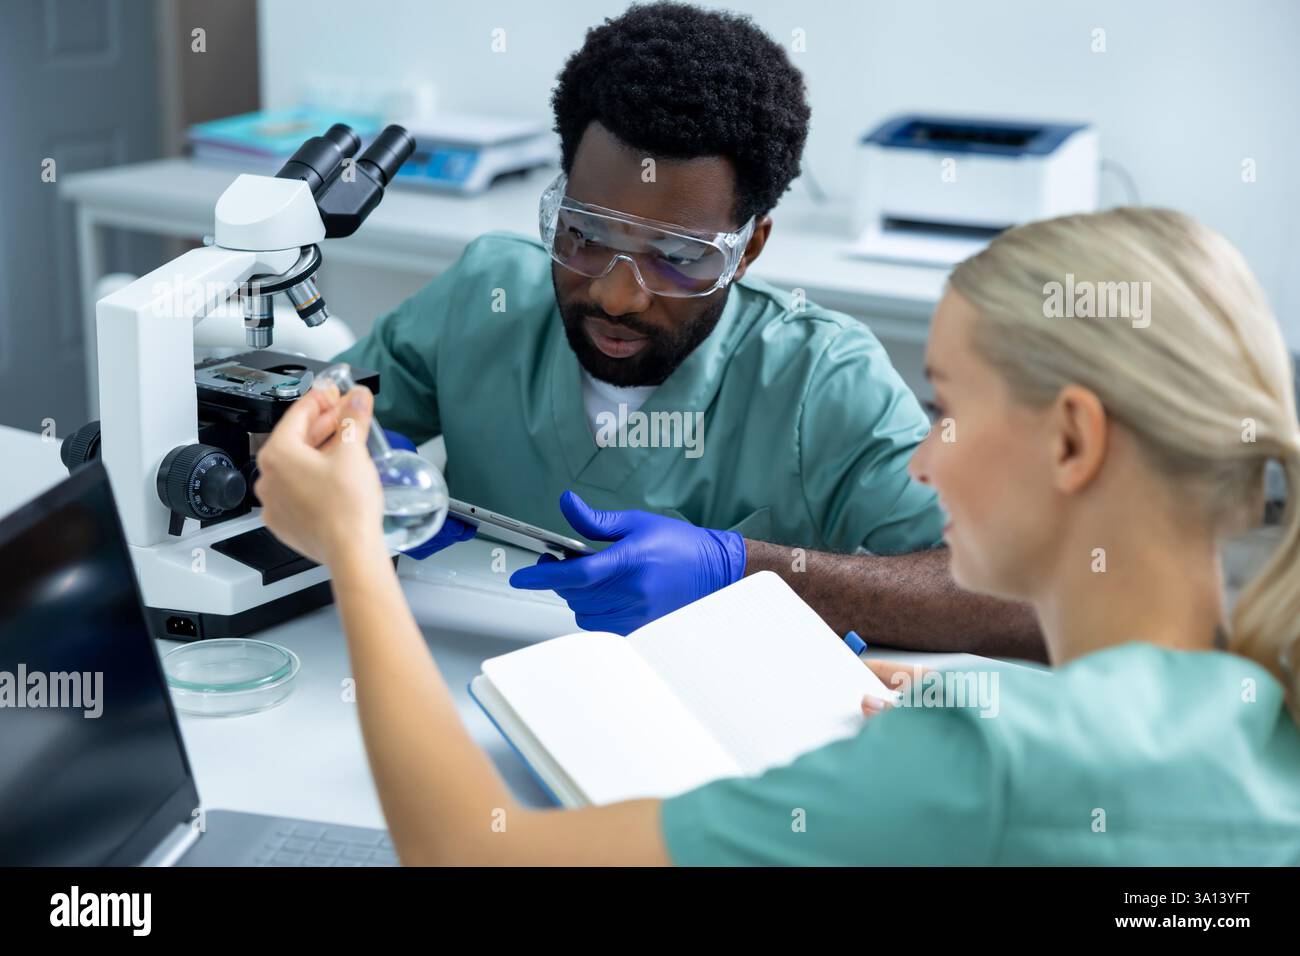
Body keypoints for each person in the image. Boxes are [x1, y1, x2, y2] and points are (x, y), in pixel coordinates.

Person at [256, 207, 1300, 864]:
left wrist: (354, 547)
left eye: (946, 407)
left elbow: (462, 849)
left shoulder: (982, 764)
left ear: (1072, 439)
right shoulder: (1254, 697)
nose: (923, 458)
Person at [334, 1, 1041, 658]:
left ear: (750, 248)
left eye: (676, 259)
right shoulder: (486, 293)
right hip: (465, 678)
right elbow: (299, 426)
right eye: (583, 234)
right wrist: (347, 460)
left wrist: (741, 571)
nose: (616, 296)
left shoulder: (821, 379)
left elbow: (1025, 602)